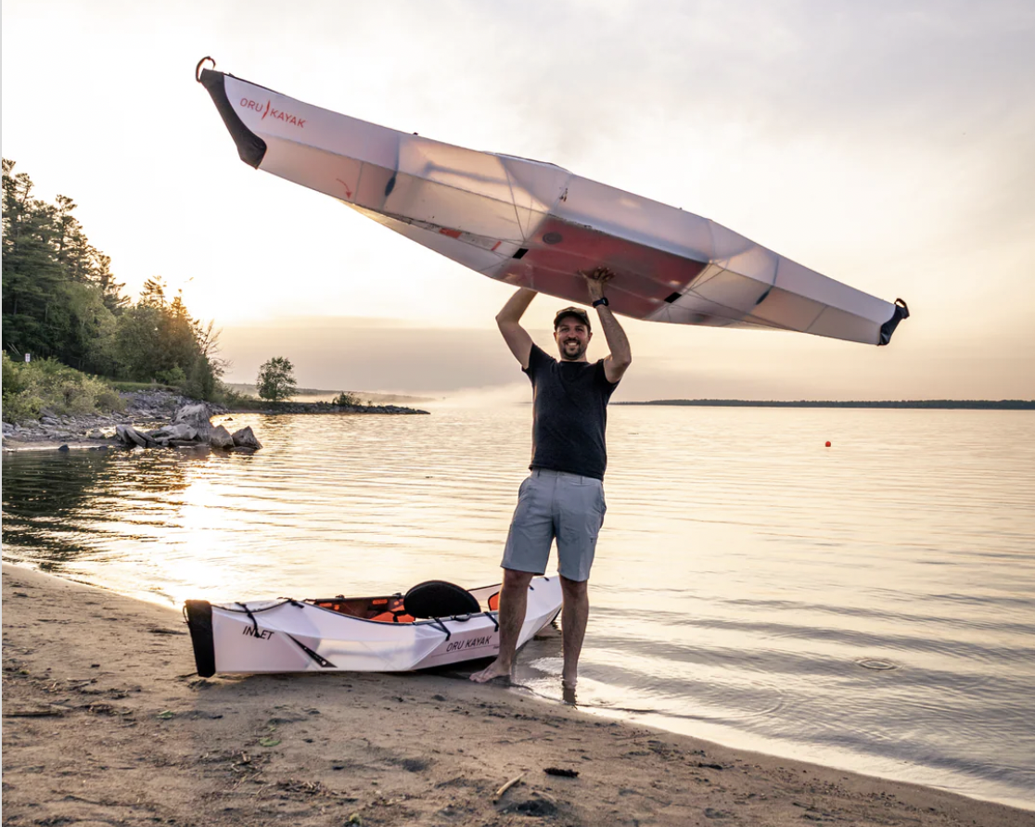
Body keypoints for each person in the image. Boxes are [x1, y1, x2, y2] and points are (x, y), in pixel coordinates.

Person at [471, 267, 632, 693]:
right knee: (514, 578)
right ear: (556, 335)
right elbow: (506, 322)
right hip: (539, 484)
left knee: (575, 584)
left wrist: (600, 301)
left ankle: (570, 674)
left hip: (584, 488)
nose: (572, 334)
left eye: (579, 329)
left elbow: (625, 357)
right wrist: (537, 279)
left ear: (587, 336)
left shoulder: (601, 376)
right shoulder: (540, 366)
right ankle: (504, 663)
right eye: (565, 329)